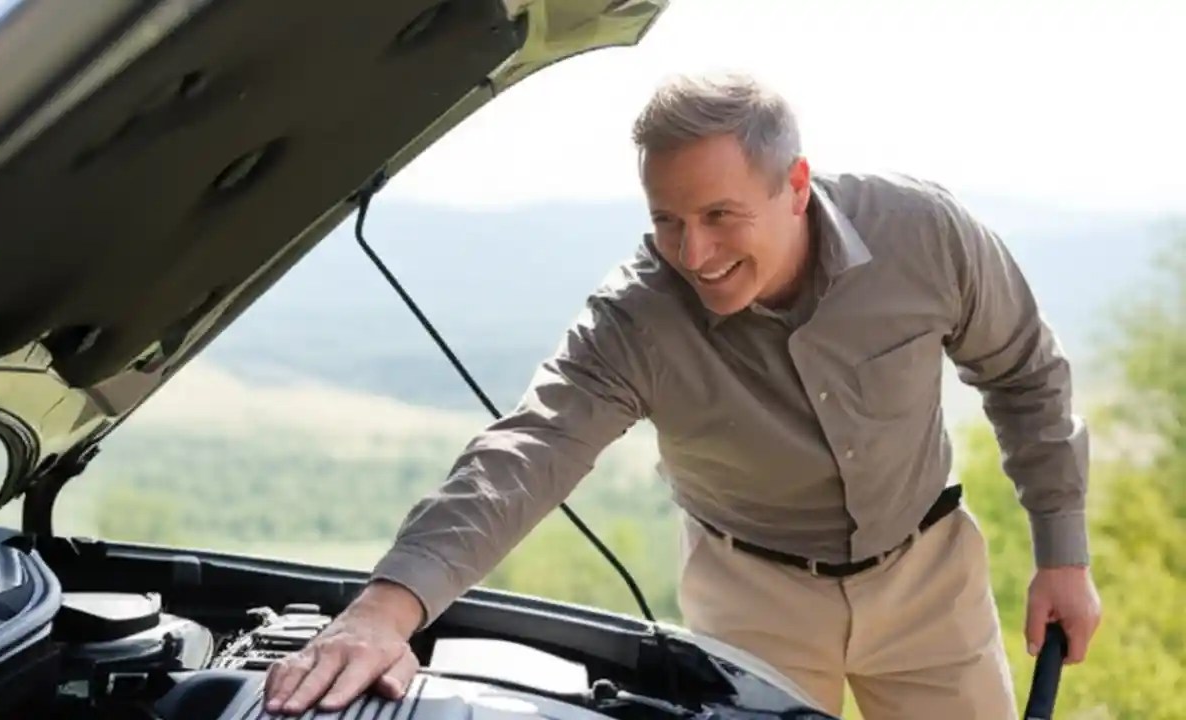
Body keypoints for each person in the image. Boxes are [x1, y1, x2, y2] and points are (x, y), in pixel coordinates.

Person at [263, 71, 1102, 718]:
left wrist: (1062, 552)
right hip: (751, 600)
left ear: (797, 183)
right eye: (667, 219)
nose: (692, 253)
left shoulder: (925, 234)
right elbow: (528, 450)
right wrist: (385, 609)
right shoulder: (636, 317)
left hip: (928, 581)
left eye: (720, 216)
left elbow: (1024, 372)